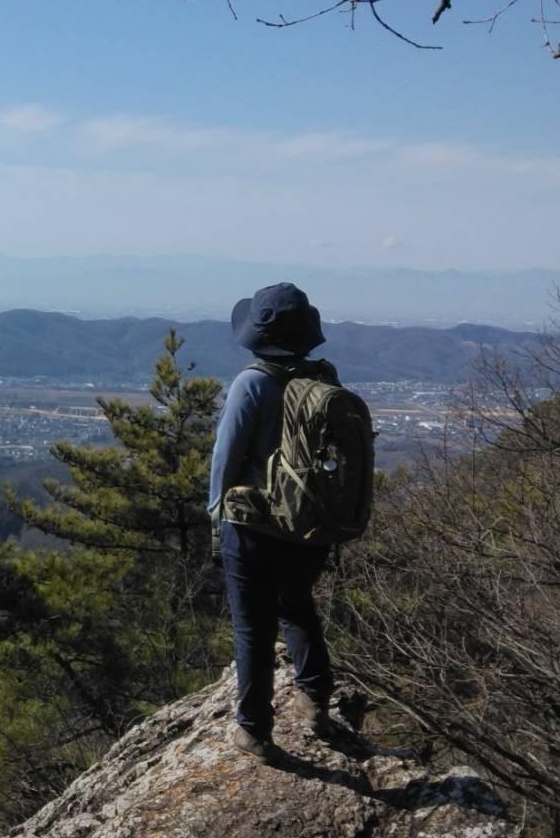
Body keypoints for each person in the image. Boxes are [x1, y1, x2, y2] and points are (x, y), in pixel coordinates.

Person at [209, 282, 333, 761]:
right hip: (308, 522)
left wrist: (216, 511)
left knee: (252, 628)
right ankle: (316, 699)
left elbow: (226, 455)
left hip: (254, 524)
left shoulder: (254, 382)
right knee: (297, 605)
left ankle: (255, 731)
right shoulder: (323, 377)